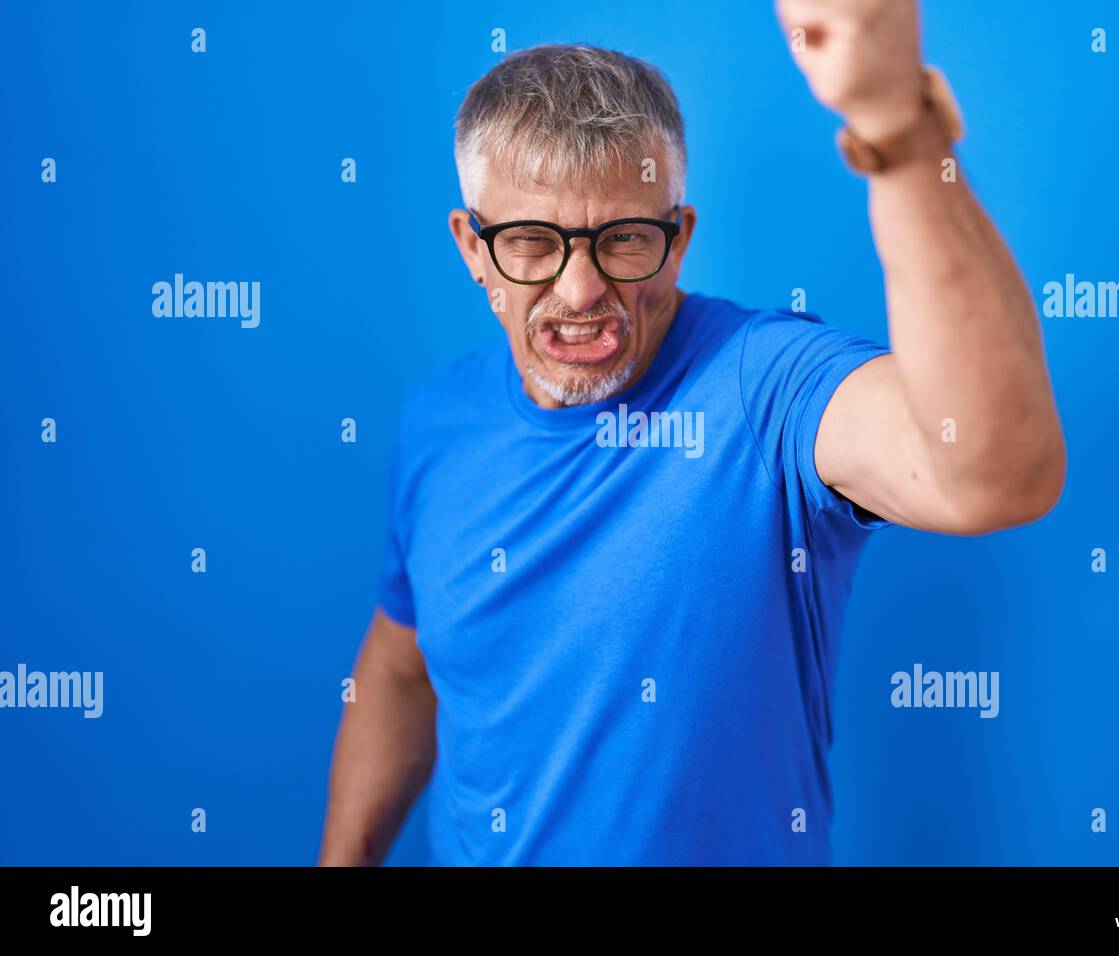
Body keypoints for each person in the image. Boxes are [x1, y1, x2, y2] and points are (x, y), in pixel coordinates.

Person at [319, 0, 1065, 866]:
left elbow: (993, 474)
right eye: (531, 243)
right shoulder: (436, 424)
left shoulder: (764, 386)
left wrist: (897, 130)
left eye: (624, 239)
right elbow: (402, 663)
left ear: (679, 242)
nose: (579, 290)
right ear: (472, 247)